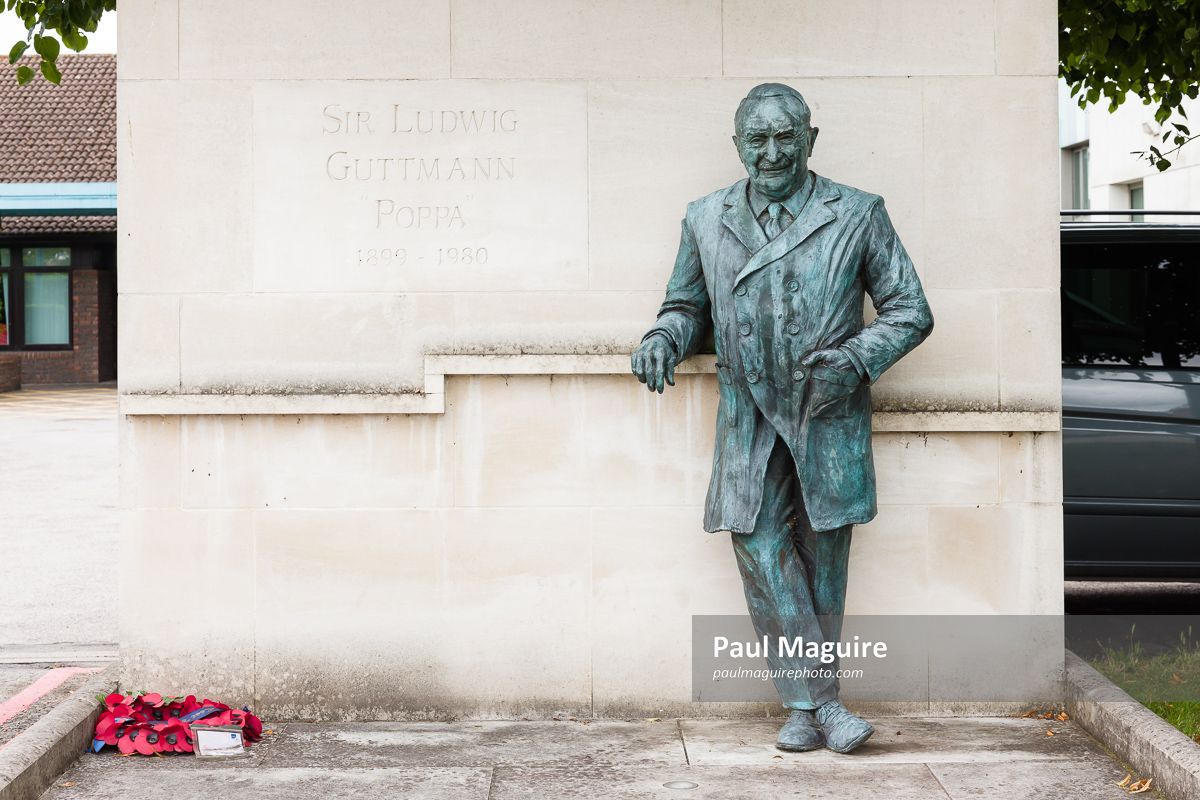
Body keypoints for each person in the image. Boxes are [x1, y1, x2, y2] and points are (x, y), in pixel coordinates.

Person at [631, 83, 933, 754]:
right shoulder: (705, 217)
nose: (772, 153)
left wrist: (856, 361)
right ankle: (823, 701)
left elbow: (911, 309)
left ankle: (802, 711)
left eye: (785, 137)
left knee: (824, 559)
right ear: (736, 145)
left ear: (810, 140)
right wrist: (663, 339)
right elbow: (685, 306)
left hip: (826, 409)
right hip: (749, 414)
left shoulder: (857, 212)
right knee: (760, 546)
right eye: (757, 140)